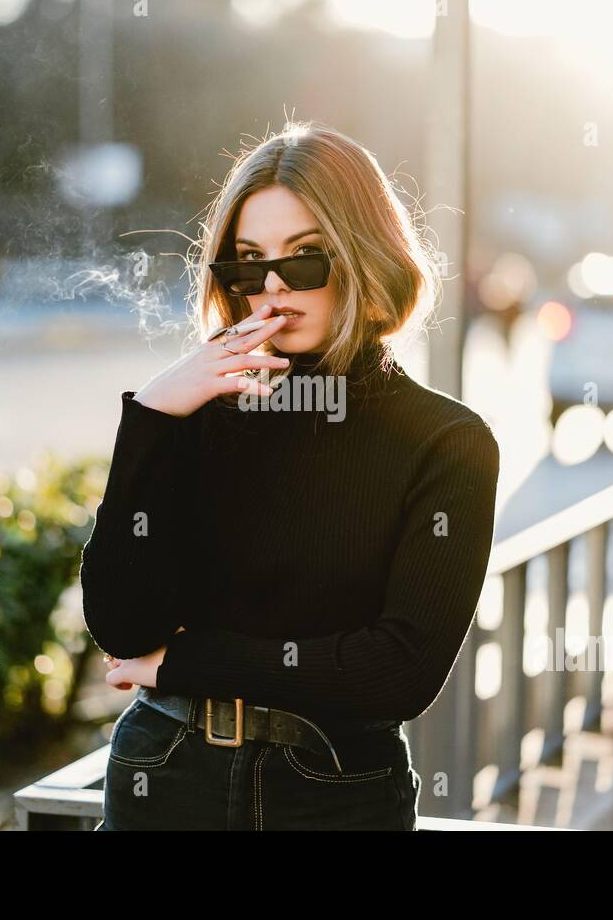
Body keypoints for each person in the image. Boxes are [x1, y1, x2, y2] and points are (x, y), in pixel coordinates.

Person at [80, 121, 500, 830]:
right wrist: (154, 413)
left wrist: (183, 664)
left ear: (367, 256)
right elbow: (122, 623)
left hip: (334, 788)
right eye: (247, 264)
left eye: (305, 259)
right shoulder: (198, 413)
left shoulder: (447, 442)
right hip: (164, 770)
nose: (271, 287)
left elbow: (398, 672)